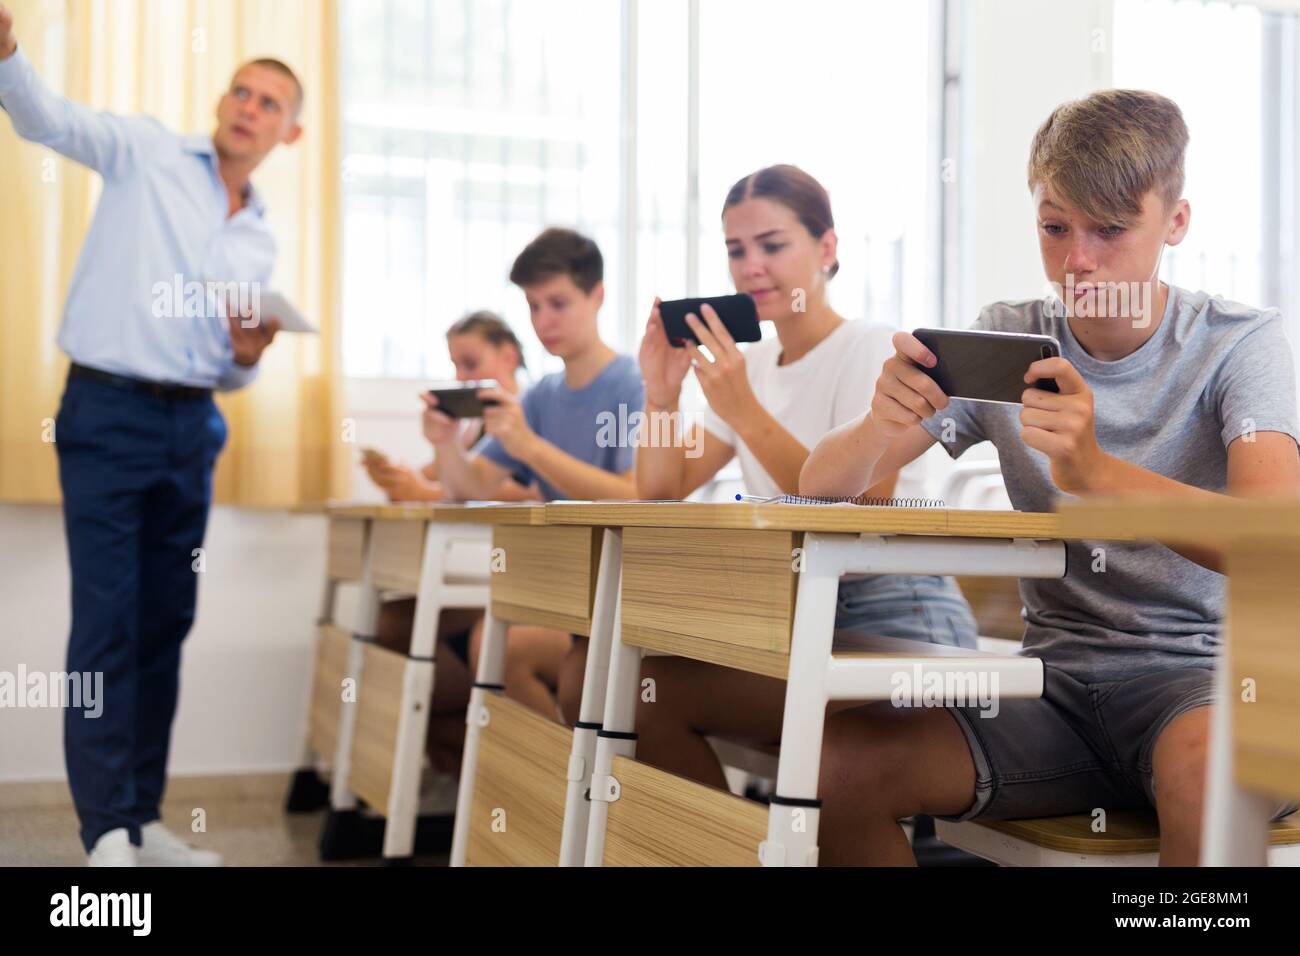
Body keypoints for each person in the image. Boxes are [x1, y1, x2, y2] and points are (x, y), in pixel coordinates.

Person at [802, 90, 1300, 865]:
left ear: (1175, 222)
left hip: (1212, 683)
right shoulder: (1008, 339)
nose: (1078, 260)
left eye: (1111, 229)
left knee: (1210, 775)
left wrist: (1098, 472)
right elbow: (819, 483)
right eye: (1054, 227)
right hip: (1053, 686)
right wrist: (875, 426)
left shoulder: (1240, 344)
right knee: (843, 765)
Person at [556, 165, 977, 791]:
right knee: (607, 681)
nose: (751, 266)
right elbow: (660, 492)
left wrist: (743, 412)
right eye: (735, 250)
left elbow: (862, 503)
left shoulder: (868, 347)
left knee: (646, 696)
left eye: (772, 245)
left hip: (897, 617)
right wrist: (660, 396)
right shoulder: (750, 365)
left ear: (827, 249)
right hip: (802, 617)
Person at [0, 4, 300, 865]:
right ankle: (103, 835)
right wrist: (8, 54)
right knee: (107, 627)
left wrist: (247, 355)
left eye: (269, 101)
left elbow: (233, 365)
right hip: (107, 413)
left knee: (165, 621)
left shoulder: (259, 234)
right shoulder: (145, 151)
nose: (248, 106)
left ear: (291, 129)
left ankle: (141, 818)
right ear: (223, 102)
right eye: (241, 91)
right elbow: (46, 119)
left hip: (192, 426)